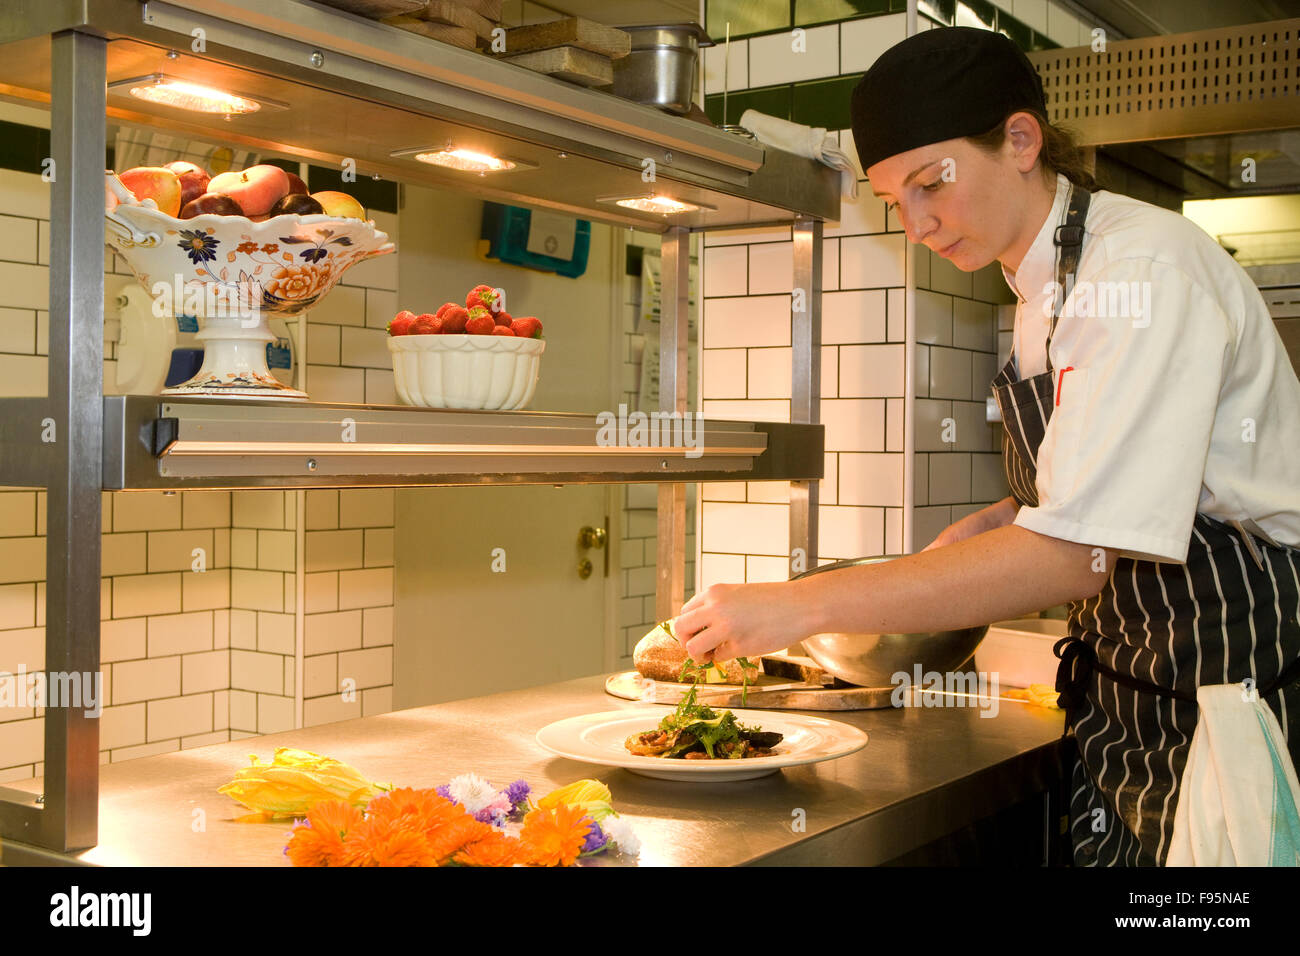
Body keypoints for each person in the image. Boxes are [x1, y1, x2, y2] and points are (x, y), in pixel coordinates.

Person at [673, 26, 1300, 866]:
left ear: (1020, 140)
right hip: (1138, 701)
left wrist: (800, 603)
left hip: (1227, 707)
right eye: (896, 199)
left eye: (933, 181)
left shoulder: (1138, 273)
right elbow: (1123, 471)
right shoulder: (1043, 282)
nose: (920, 223)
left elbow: (1072, 557)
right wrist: (1004, 515)